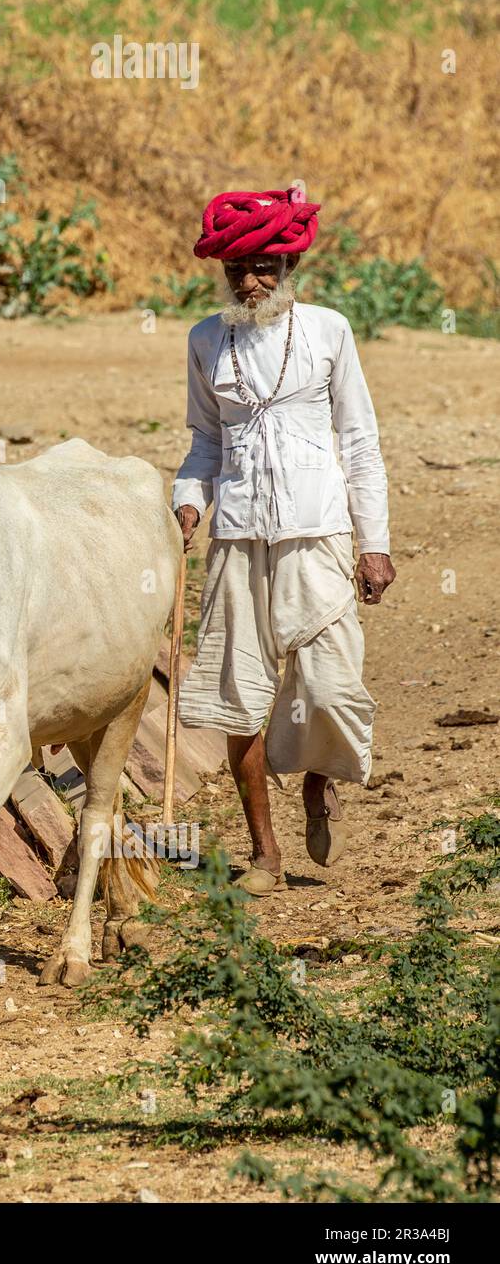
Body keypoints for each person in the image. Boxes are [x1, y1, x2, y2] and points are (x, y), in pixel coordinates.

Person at [172, 186, 395, 895]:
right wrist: (187, 501)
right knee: (239, 698)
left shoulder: (329, 331)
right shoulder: (205, 340)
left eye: (264, 267)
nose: (250, 282)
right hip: (238, 538)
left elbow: (359, 441)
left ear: (289, 265)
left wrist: (374, 542)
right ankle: (264, 854)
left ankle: (318, 781)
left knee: (329, 688)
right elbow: (205, 441)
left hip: (318, 532)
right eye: (237, 269)